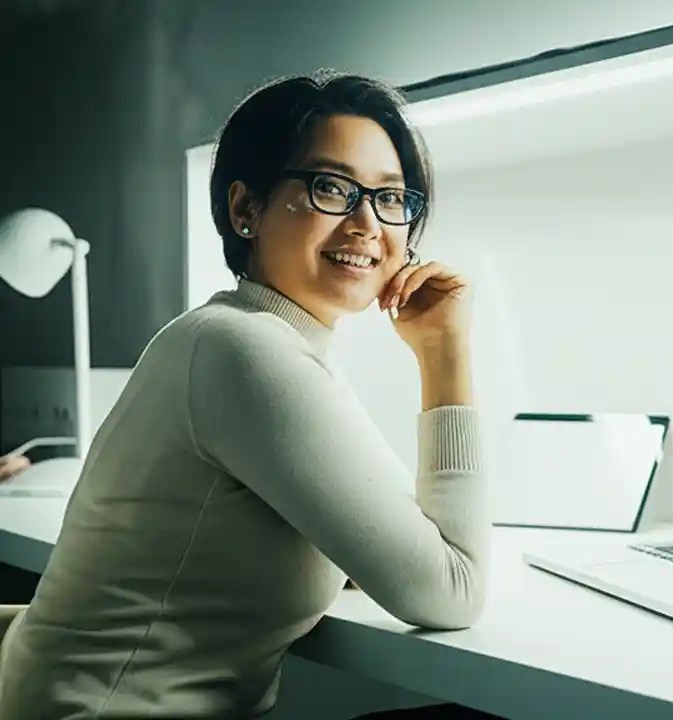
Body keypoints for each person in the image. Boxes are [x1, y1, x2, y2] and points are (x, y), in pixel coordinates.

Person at [0, 71, 497, 718]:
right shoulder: (245, 353)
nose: (368, 222)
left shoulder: (256, 343)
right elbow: (451, 589)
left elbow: (393, 538)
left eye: (392, 197)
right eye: (331, 187)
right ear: (246, 209)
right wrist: (445, 354)